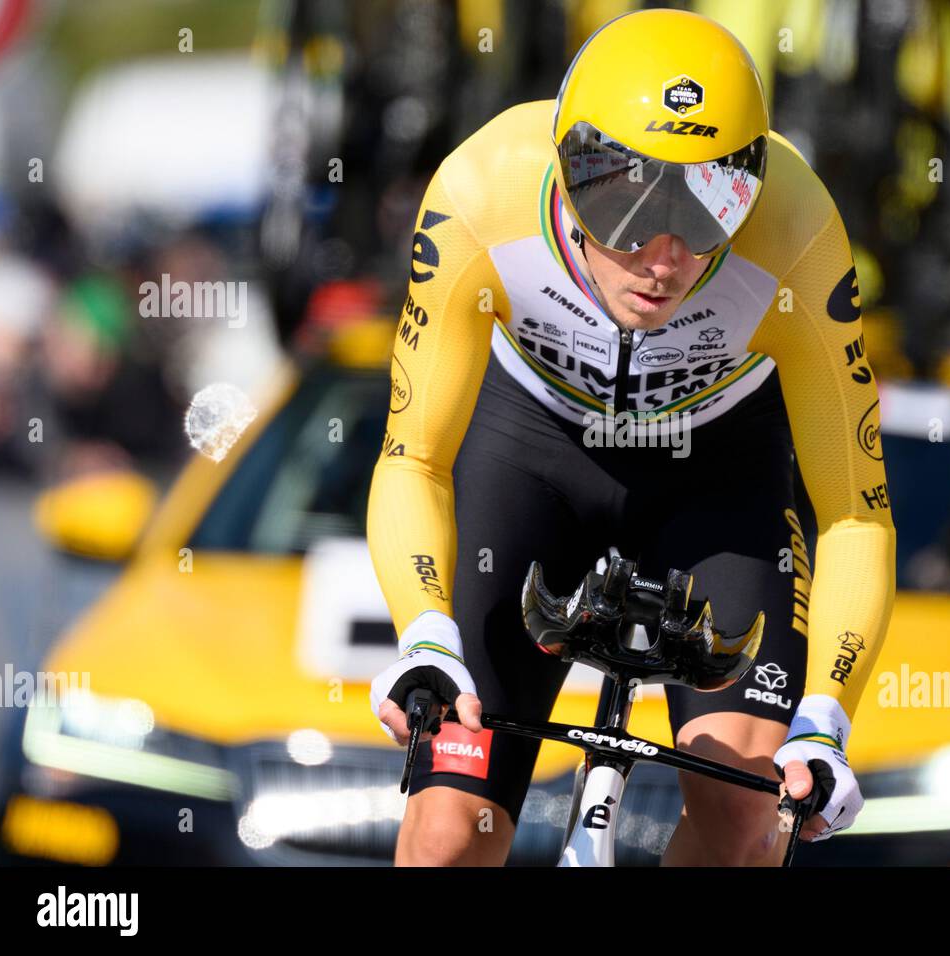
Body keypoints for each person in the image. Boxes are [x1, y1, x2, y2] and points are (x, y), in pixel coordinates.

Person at [366, 8, 895, 866]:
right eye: (629, 203)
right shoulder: (482, 189)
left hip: (715, 484)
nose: (665, 256)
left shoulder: (798, 232)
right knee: (447, 831)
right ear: (568, 173)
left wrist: (827, 721)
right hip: (528, 461)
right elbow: (412, 457)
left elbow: (857, 516)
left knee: (746, 812)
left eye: (711, 206)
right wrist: (424, 638)